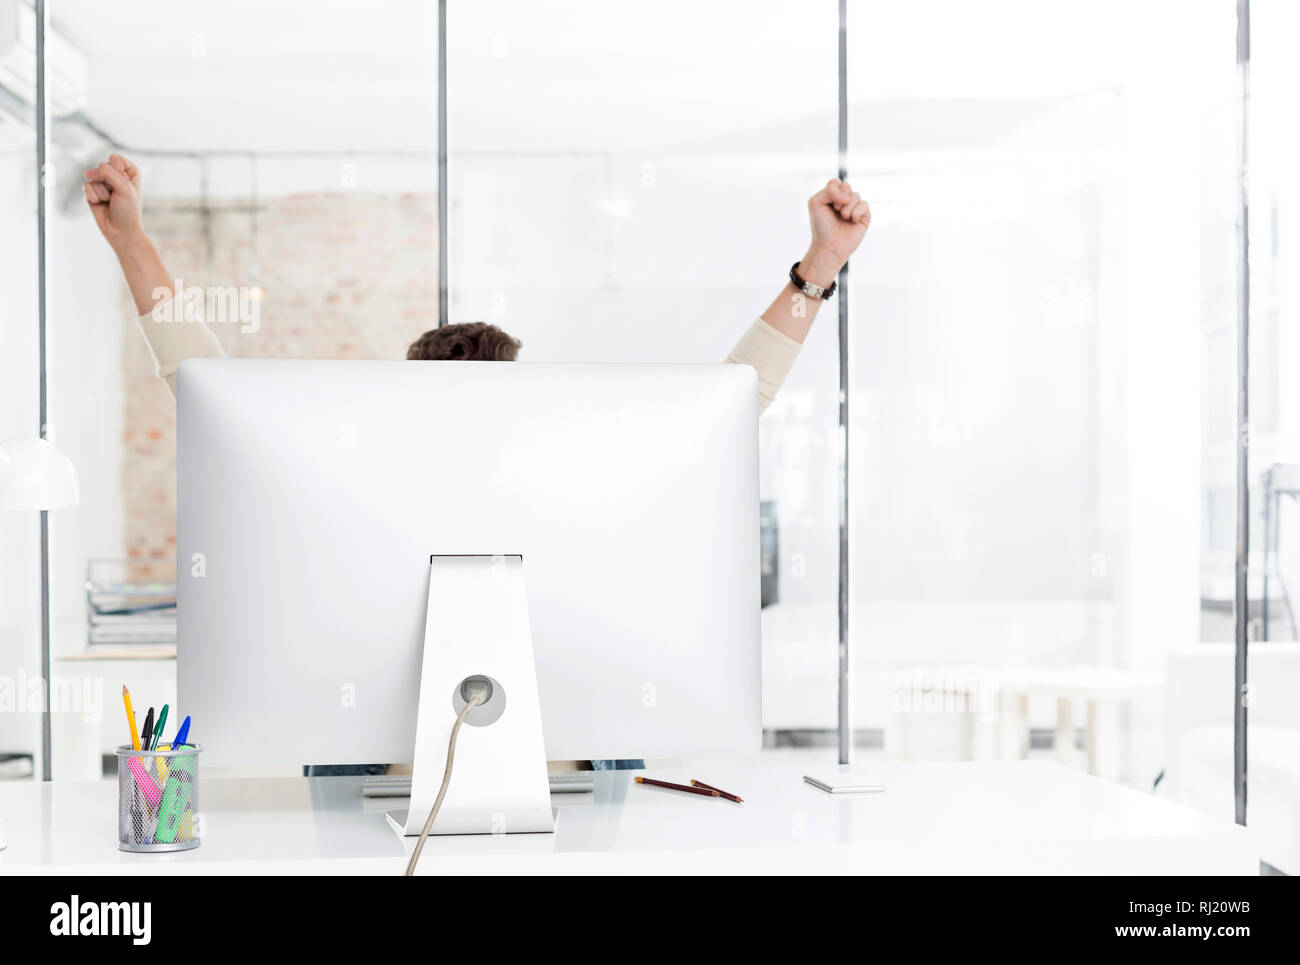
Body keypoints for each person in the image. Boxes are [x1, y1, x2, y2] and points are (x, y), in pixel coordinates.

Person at [83, 152, 871, 772]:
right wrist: (131, 241)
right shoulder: (358, 479)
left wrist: (818, 270)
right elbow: (201, 382)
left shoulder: (573, 480)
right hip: (368, 794)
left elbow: (735, 401)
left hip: (577, 794)